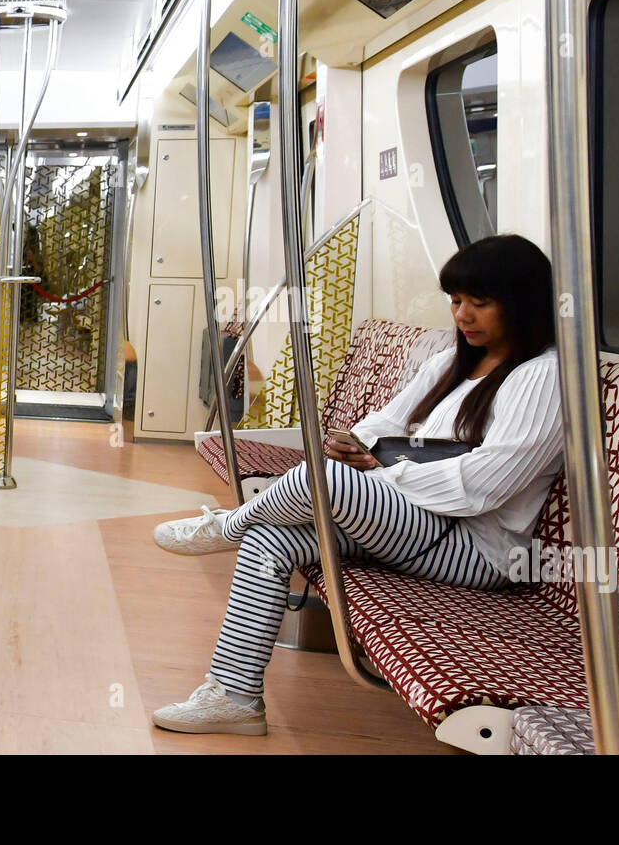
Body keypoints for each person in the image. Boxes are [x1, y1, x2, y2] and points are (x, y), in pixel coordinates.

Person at [149, 234, 564, 735]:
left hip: (477, 548)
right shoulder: (452, 365)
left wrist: (377, 473)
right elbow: (386, 422)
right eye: (456, 301)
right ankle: (234, 698)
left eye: (481, 303)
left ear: (523, 303)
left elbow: (484, 485)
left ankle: (227, 527)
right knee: (273, 536)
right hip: (416, 523)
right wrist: (355, 442)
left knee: (323, 481)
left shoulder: (544, 376)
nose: (463, 316)